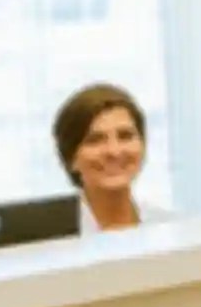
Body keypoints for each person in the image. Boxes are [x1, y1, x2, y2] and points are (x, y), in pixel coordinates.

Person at [52, 83, 168, 234]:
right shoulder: (47, 238)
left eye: (125, 136)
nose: (114, 152)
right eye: (94, 140)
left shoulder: (169, 230)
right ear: (70, 157)